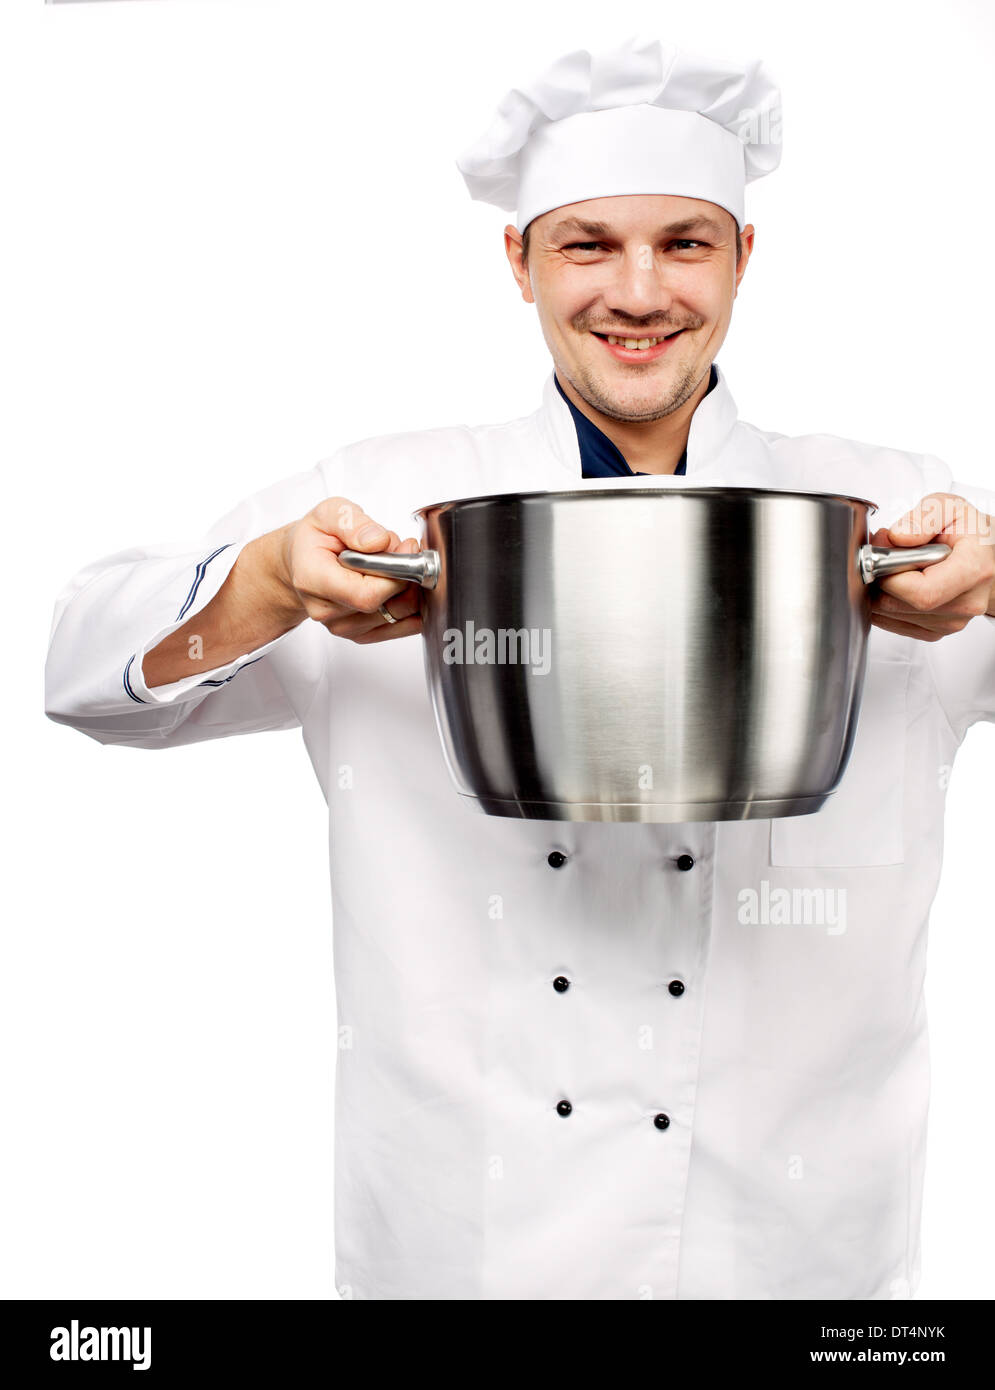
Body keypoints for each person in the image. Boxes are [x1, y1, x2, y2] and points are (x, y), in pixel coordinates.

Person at [44, 37, 995, 1301]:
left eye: (686, 242)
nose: (640, 290)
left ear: (744, 261)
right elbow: (79, 671)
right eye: (588, 244)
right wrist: (271, 580)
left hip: (799, 1261)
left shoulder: (888, 516)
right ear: (519, 261)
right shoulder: (385, 511)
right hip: (465, 1254)